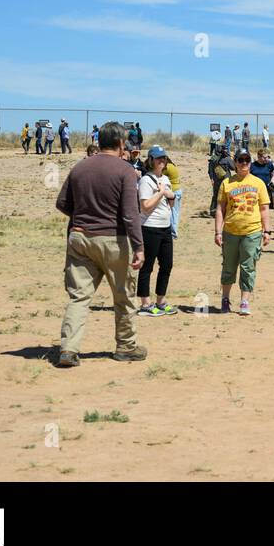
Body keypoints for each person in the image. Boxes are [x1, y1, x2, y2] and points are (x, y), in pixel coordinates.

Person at [54, 121, 146, 367]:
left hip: (80, 237)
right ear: (120, 143)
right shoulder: (125, 170)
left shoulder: (80, 167)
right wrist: (139, 246)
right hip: (114, 240)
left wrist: (83, 214)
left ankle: (68, 349)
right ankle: (126, 346)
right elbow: (130, 213)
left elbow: (62, 204)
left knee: (79, 298)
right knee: (124, 297)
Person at [216, 149, 270, 315]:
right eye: (241, 160)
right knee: (229, 266)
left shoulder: (258, 183)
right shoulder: (227, 183)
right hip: (230, 231)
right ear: (236, 162)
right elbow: (220, 209)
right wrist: (217, 232)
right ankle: (225, 299)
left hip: (252, 231)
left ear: (250, 162)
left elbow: (264, 209)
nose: (244, 163)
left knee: (248, 267)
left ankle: (244, 301)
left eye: (247, 160)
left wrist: (267, 231)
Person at [137, 146, 177, 317]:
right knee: (147, 266)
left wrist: (171, 196)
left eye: (164, 158)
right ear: (151, 160)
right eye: (159, 158)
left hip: (165, 227)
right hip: (150, 227)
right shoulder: (146, 180)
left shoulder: (166, 179)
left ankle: (161, 301)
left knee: (167, 264)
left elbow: (171, 204)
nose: (162, 161)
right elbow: (145, 206)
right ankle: (145, 304)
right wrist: (161, 193)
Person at [207, 147, 232, 218]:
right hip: (226, 180)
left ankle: (213, 211)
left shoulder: (213, 158)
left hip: (215, 180)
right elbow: (233, 167)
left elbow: (210, 170)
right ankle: (225, 211)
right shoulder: (227, 158)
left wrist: (211, 179)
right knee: (226, 195)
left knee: (215, 195)